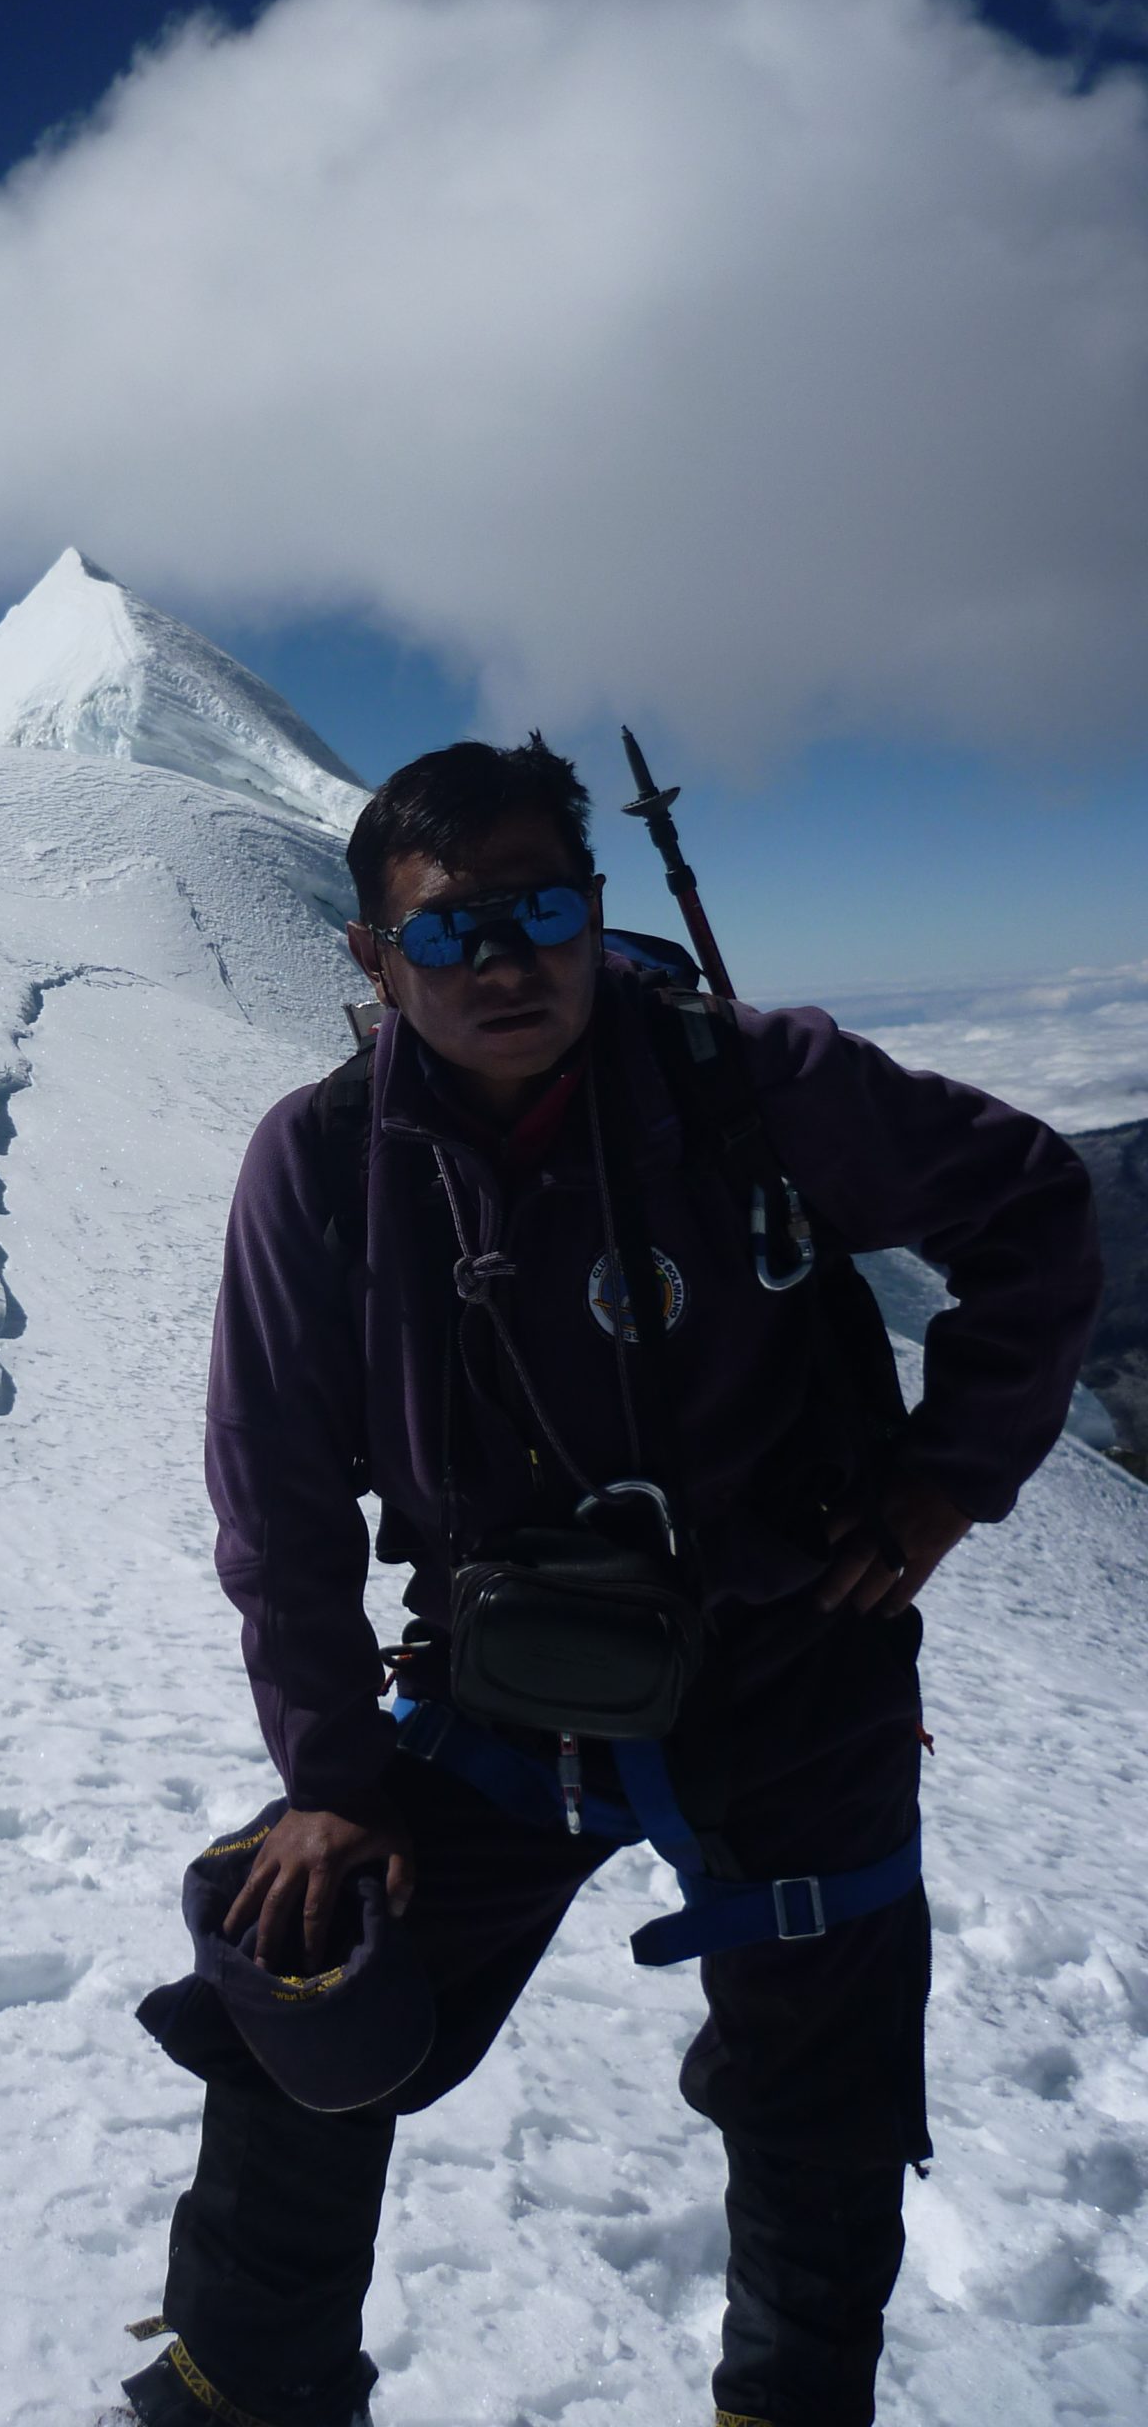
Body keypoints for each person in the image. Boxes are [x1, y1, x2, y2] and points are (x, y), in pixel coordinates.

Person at [122, 739, 1102, 2427]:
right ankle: (246, 2393)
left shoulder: (752, 1082)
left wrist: (953, 1477)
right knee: (308, 1988)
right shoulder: (326, 1161)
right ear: (373, 958)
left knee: (819, 2100)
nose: (505, 961)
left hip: (798, 1658)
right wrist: (332, 1785)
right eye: (448, 930)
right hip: (505, 1689)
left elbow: (1032, 1205)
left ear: (593, 910)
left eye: (543, 911)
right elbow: (275, 1492)